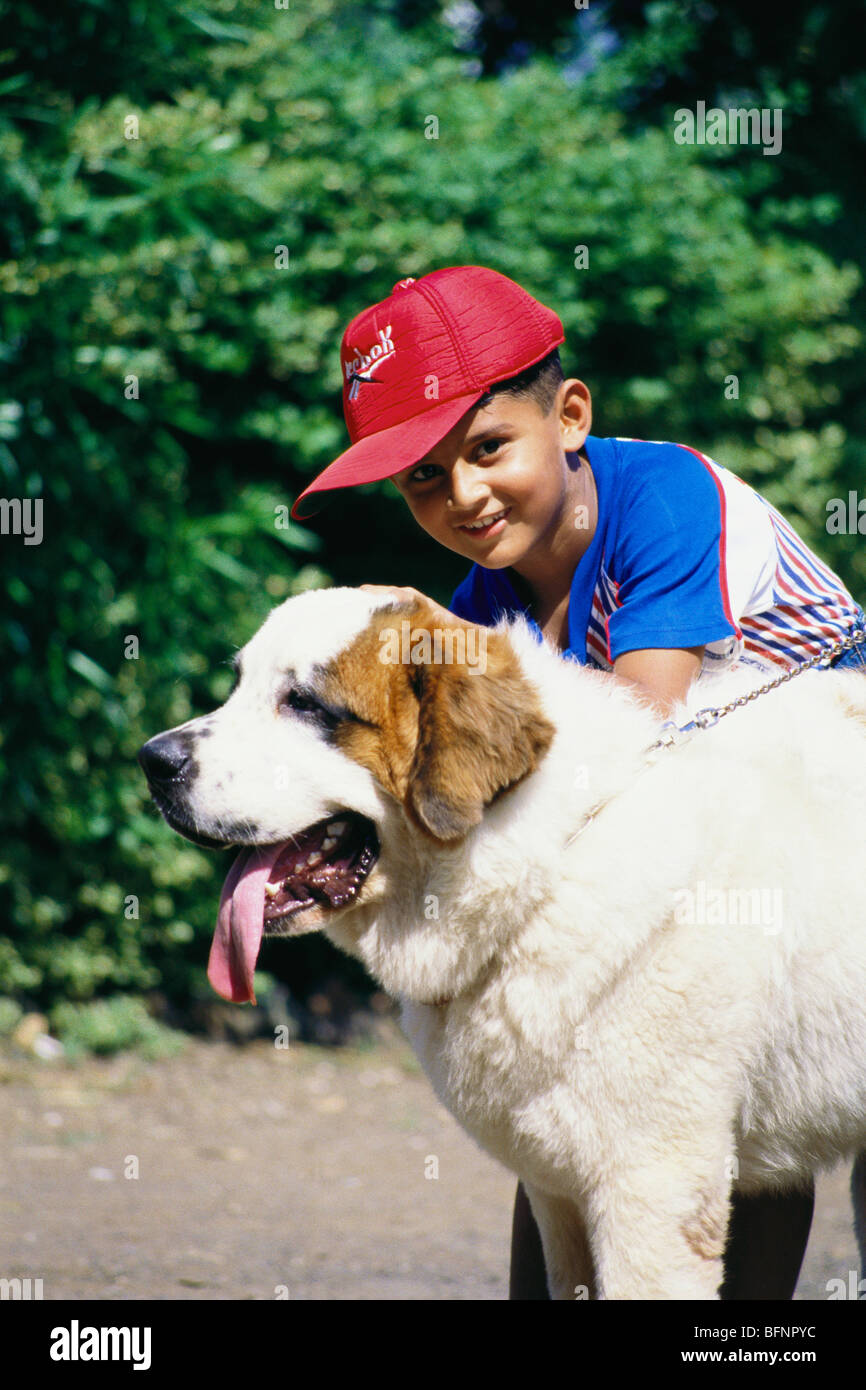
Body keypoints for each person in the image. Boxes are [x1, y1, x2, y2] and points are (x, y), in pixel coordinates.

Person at [291, 265, 866, 1298]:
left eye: (485, 448)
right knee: (583, 1091)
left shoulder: (665, 501)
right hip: (709, 841)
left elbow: (626, 739)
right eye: (421, 476)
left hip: (820, 808)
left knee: (716, 1118)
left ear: (567, 414)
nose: (461, 494)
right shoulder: (487, 590)